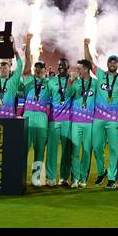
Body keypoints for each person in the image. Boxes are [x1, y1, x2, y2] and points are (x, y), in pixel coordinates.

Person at [86, 41, 118, 189]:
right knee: (96, 147)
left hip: (114, 120)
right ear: (108, 63)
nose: (112, 63)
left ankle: (111, 178)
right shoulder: (101, 74)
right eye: (111, 61)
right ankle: (102, 171)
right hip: (98, 118)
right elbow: (89, 62)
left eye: (115, 62)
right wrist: (86, 46)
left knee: (114, 149)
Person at [20, 43, 51, 186]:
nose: (38, 70)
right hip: (28, 116)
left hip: (41, 117)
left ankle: (36, 177)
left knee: (39, 148)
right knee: (23, 148)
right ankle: (19, 175)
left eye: (41, 68)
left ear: (45, 70)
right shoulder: (28, 80)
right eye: (36, 67)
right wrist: (27, 45)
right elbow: (27, 61)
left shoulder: (49, 83)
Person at [68, 59, 97, 188]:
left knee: (86, 151)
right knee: (74, 150)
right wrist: (71, 81)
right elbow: (68, 95)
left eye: (79, 69)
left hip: (90, 122)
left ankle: (83, 178)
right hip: (76, 122)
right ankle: (75, 178)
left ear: (86, 69)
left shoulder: (95, 83)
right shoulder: (76, 83)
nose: (77, 70)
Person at [45, 57, 74, 187]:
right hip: (54, 120)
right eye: (59, 65)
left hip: (68, 120)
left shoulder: (73, 81)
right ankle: (50, 177)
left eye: (64, 65)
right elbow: (44, 98)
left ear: (68, 67)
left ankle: (63, 177)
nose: (61, 67)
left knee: (66, 151)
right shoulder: (51, 82)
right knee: (51, 150)